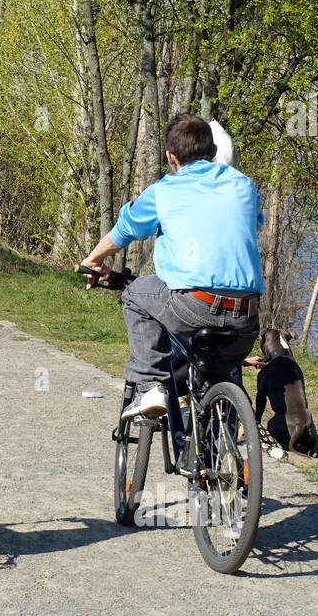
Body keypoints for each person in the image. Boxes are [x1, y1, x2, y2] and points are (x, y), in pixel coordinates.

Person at [79, 113, 263, 418]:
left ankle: (151, 386)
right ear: (213, 153)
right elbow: (254, 222)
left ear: (170, 157)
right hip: (246, 319)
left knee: (137, 294)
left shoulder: (164, 191)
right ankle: (217, 454)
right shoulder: (245, 186)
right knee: (215, 381)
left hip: (194, 308)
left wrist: (93, 259)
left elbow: (124, 231)